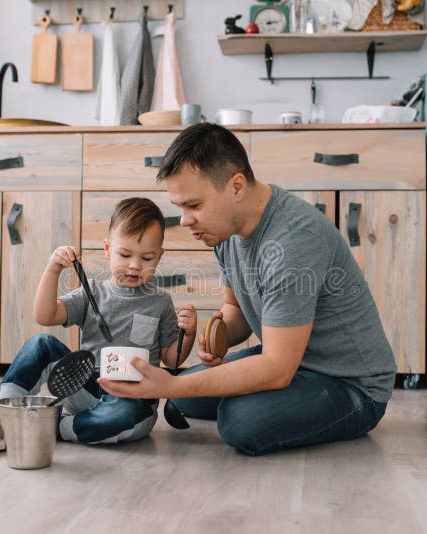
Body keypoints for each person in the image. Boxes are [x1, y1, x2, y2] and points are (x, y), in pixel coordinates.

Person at [98, 123, 397, 456]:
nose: (184, 220)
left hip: (350, 383)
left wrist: (174, 382)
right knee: (183, 396)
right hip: (294, 361)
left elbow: (276, 367)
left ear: (236, 186)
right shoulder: (225, 230)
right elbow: (236, 310)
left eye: (193, 205)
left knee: (239, 421)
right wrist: (217, 334)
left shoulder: (292, 242)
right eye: (179, 206)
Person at [0, 197, 198, 455]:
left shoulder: (160, 302)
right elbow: (45, 315)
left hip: (132, 398)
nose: (135, 265)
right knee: (41, 344)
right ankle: (5, 413)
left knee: (124, 416)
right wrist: (53, 269)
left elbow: (172, 359)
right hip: (83, 384)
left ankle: (49, 426)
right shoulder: (92, 292)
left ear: (160, 255)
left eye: (147, 258)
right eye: (125, 254)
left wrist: (188, 333)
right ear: (107, 249)